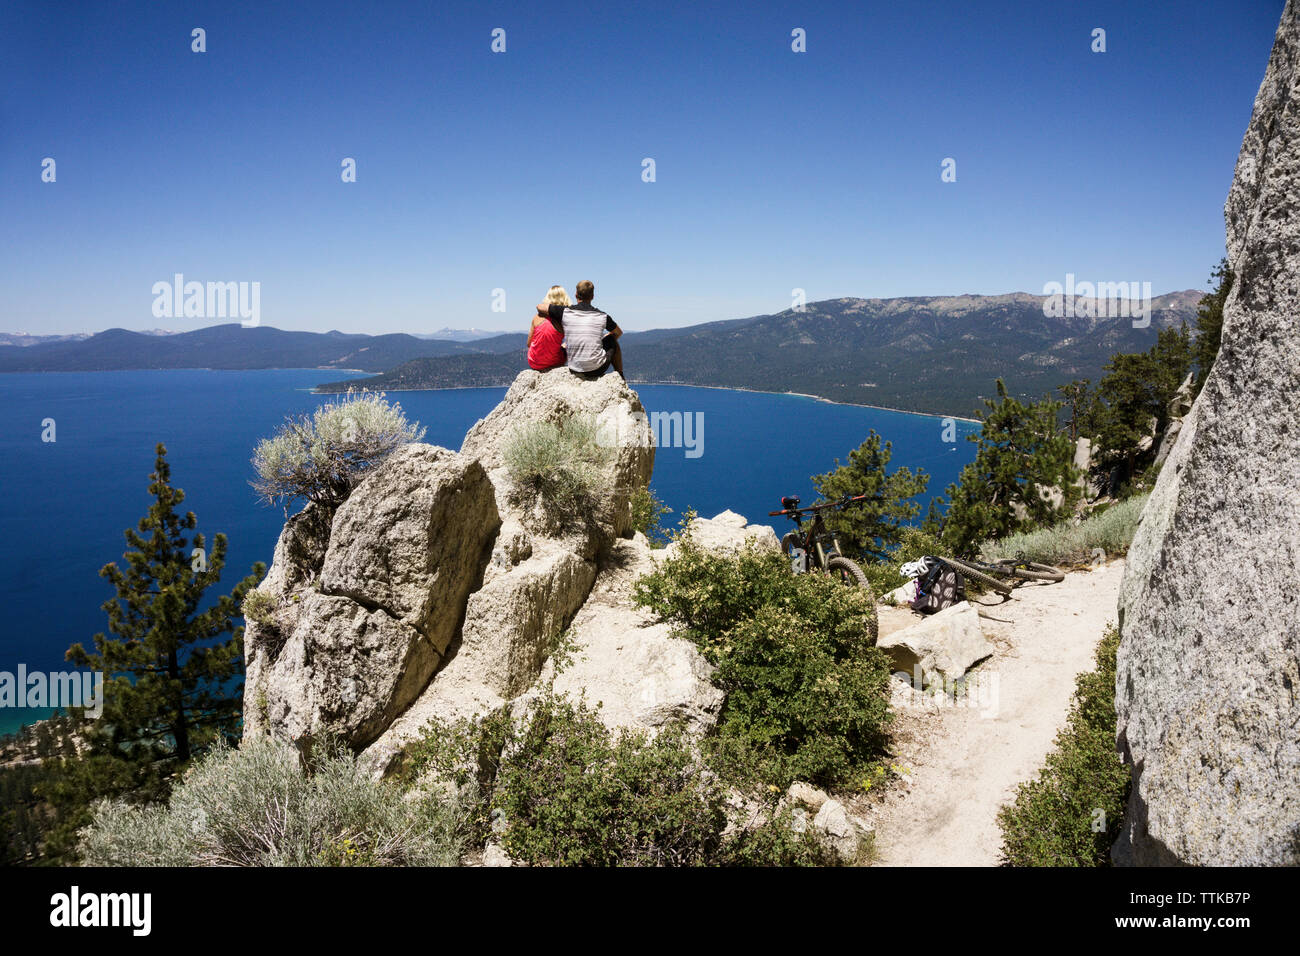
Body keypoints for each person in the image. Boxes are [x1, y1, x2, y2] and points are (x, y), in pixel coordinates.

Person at [535, 279, 624, 378]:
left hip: (574, 368)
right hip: (596, 369)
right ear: (592, 296)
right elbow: (618, 333)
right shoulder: (603, 316)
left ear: (576, 295)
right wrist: (606, 337)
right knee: (612, 340)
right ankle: (620, 375)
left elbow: (540, 306)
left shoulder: (565, 312)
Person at [527, 285, 569, 371]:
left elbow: (529, 344)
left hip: (533, 362)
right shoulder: (563, 320)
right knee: (567, 346)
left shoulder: (536, 317)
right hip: (553, 363)